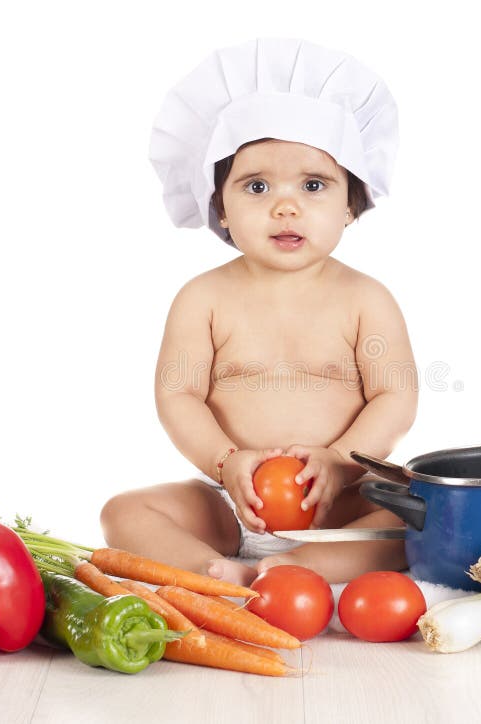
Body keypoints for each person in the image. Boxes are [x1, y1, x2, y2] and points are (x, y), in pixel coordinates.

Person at [100, 38, 418, 586]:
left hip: (338, 499)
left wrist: (340, 460)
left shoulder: (367, 299)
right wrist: (227, 462)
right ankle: (215, 571)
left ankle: (298, 567)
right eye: (257, 185)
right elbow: (178, 394)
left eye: (314, 185)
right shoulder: (203, 298)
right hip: (228, 501)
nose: (285, 205)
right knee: (123, 513)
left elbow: (396, 395)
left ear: (350, 204)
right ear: (220, 205)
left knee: (420, 509)